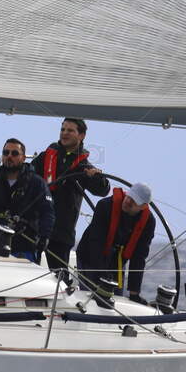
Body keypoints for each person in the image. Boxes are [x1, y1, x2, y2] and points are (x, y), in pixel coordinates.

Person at [39, 118, 109, 280]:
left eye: (70, 130)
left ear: (82, 135)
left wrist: (96, 178)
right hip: (38, 225)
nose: (64, 133)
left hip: (62, 231)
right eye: (63, 129)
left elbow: (103, 189)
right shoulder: (46, 156)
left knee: (59, 278)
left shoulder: (84, 166)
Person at [76, 182, 157, 303]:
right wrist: (101, 276)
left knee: (116, 301)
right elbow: (95, 243)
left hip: (116, 263)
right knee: (93, 298)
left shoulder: (148, 222)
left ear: (143, 206)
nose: (128, 202)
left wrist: (134, 293)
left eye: (134, 201)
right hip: (90, 256)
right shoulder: (105, 206)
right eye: (129, 196)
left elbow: (139, 257)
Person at [0, 138, 54, 260]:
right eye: (6, 153)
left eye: (15, 153)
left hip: (25, 246)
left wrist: (44, 237)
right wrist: (3, 224)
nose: (9, 156)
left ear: (23, 158)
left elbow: (47, 212)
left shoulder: (37, 183)